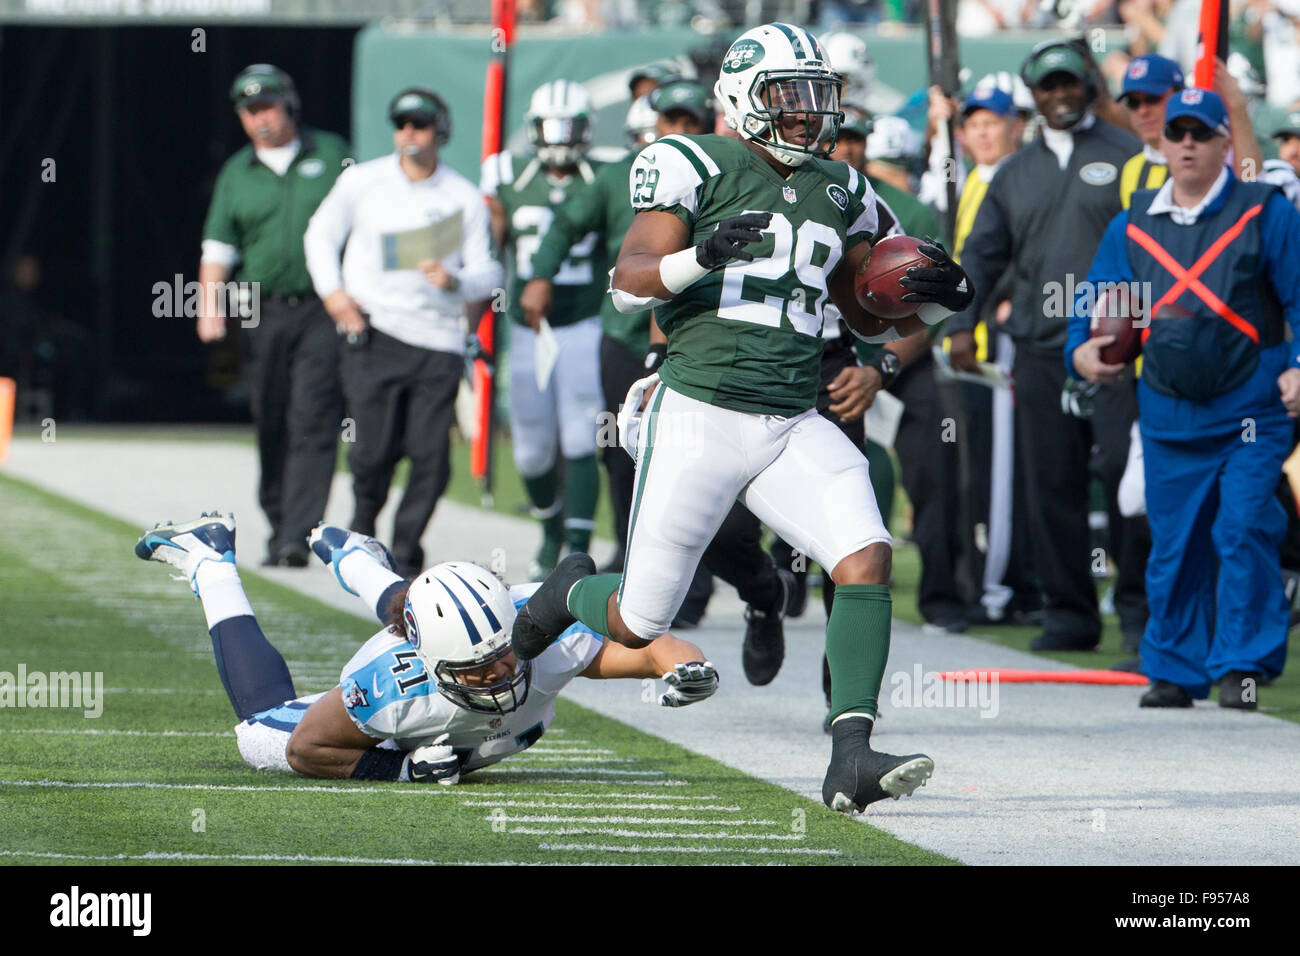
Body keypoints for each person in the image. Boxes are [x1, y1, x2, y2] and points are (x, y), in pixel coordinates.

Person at [510, 23, 975, 814]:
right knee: (638, 618)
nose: (806, 113)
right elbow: (627, 284)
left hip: (793, 415)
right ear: (741, 98)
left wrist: (929, 300)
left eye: (815, 96)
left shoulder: (845, 187)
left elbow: (860, 316)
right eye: (787, 96)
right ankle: (558, 599)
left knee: (864, 557)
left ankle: (851, 755)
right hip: (700, 411)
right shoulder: (689, 161)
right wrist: (702, 256)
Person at [134, 514, 718, 781]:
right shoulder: (393, 688)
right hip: (396, 715)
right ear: (433, 667)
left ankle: (354, 556)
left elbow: (646, 646)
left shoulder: (539, 635)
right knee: (260, 733)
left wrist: (688, 669)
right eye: (475, 670)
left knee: (418, 603)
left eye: (503, 658)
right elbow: (307, 748)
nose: (496, 676)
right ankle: (210, 561)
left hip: (454, 632)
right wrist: (400, 767)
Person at [1068, 89, 1300, 709]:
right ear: (1162, 143)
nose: (1189, 143)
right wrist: (1083, 351)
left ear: (1227, 141)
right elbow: (1097, 302)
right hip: (1169, 414)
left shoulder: (1266, 211)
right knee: (1174, 543)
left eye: (1202, 132)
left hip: (1253, 410)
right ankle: (1174, 668)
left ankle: (1241, 668)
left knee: (1243, 527)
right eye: (1178, 133)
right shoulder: (1133, 221)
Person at [945, 39, 1149, 653]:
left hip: (1118, 351)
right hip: (1037, 349)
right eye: (1048, 87)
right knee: (1051, 483)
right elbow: (982, 254)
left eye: (1070, 84)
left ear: (1089, 86)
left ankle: (1139, 613)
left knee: (1124, 476)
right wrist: (959, 325)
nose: (1060, 95)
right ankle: (1069, 613)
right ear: (1033, 97)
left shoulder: (1131, 156)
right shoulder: (1014, 172)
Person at [303, 88, 502, 578]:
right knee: (372, 452)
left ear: (441, 131)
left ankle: (408, 552)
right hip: (375, 332)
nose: (409, 133)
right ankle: (362, 533)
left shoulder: (462, 197)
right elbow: (319, 235)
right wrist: (335, 297)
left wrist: (456, 281)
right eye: (402, 123)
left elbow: (489, 273)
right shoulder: (363, 181)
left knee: (432, 459)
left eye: (420, 124)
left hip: (437, 341)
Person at [199, 64, 351, 568]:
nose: (260, 119)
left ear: (289, 105)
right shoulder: (237, 172)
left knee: (314, 415)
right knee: (271, 415)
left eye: (267, 107)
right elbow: (218, 246)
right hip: (261, 308)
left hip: (320, 305)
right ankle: (277, 514)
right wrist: (209, 305)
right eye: (250, 111)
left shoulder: (330, 154)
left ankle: (298, 534)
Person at [482, 80, 605, 578]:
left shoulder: (606, 174)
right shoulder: (506, 174)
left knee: (581, 438)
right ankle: (550, 528)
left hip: (584, 320)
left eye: (567, 126)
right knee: (531, 446)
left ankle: (576, 544)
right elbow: (491, 240)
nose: (557, 138)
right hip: (530, 329)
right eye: (550, 127)